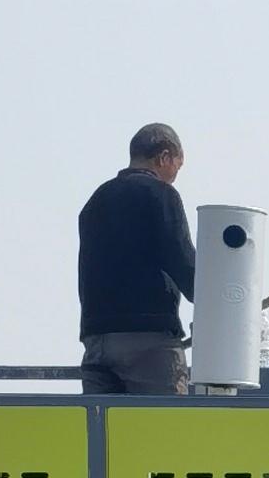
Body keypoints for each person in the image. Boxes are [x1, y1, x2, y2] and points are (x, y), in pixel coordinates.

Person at [78, 123, 197, 393]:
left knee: (102, 420)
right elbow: (183, 262)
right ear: (164, 157)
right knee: (162, 419)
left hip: (97, 337)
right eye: (177, 167)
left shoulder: (96, 200)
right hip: (149, 339)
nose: (174, 177)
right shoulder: (161, 195)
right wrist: (218, 304)